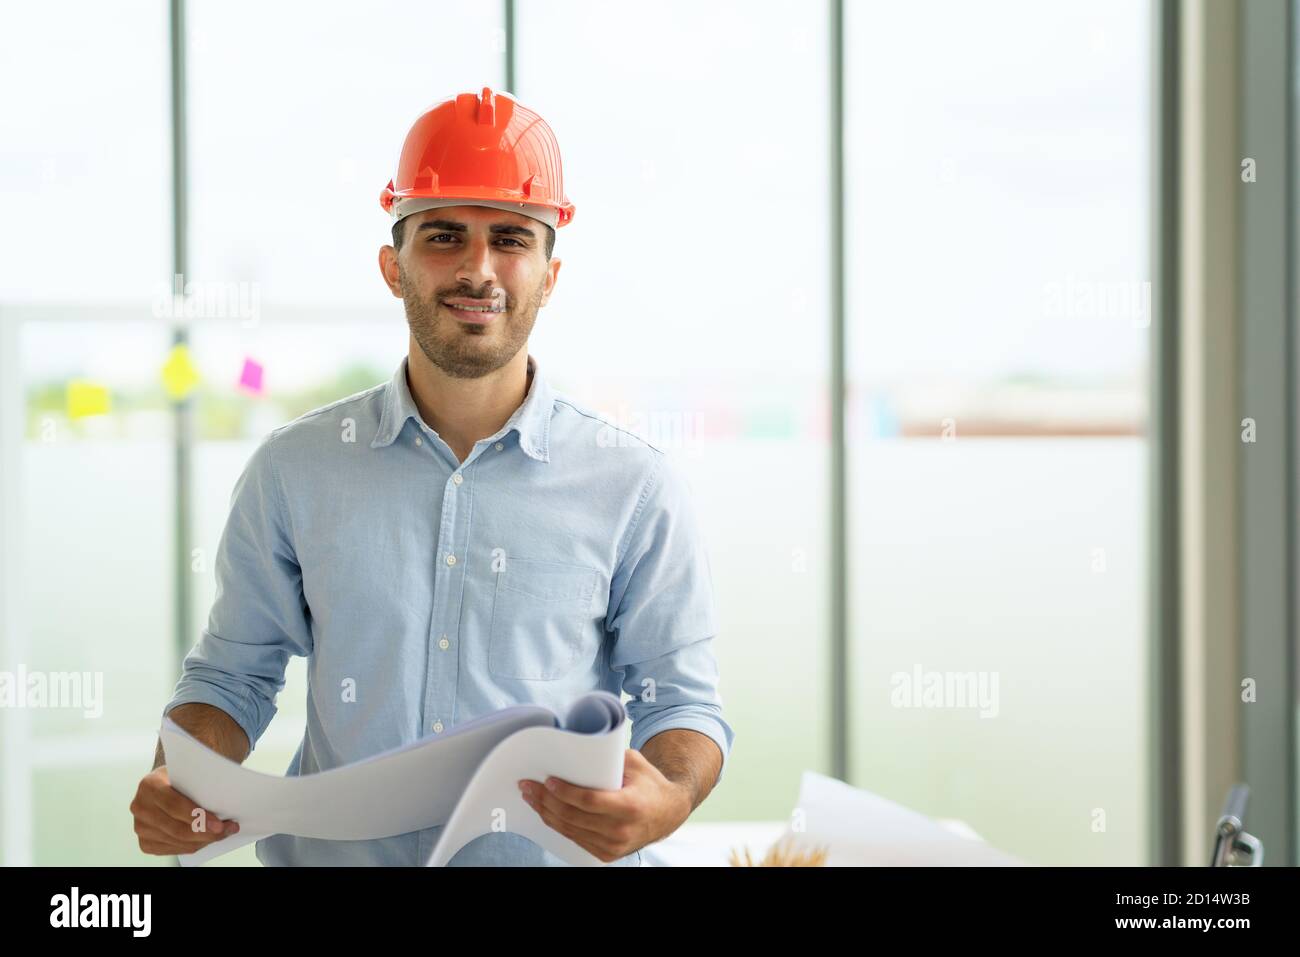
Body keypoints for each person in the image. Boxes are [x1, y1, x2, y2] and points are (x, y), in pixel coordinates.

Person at [128, 87, 734, 866]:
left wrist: (669, 799)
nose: (478, 269)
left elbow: (681, 701)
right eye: (444, 236)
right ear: (393, 266)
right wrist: (177, 775)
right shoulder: (293, 470)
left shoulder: (635, 487)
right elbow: (233, 676)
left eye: (511, 238)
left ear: (550, 275)